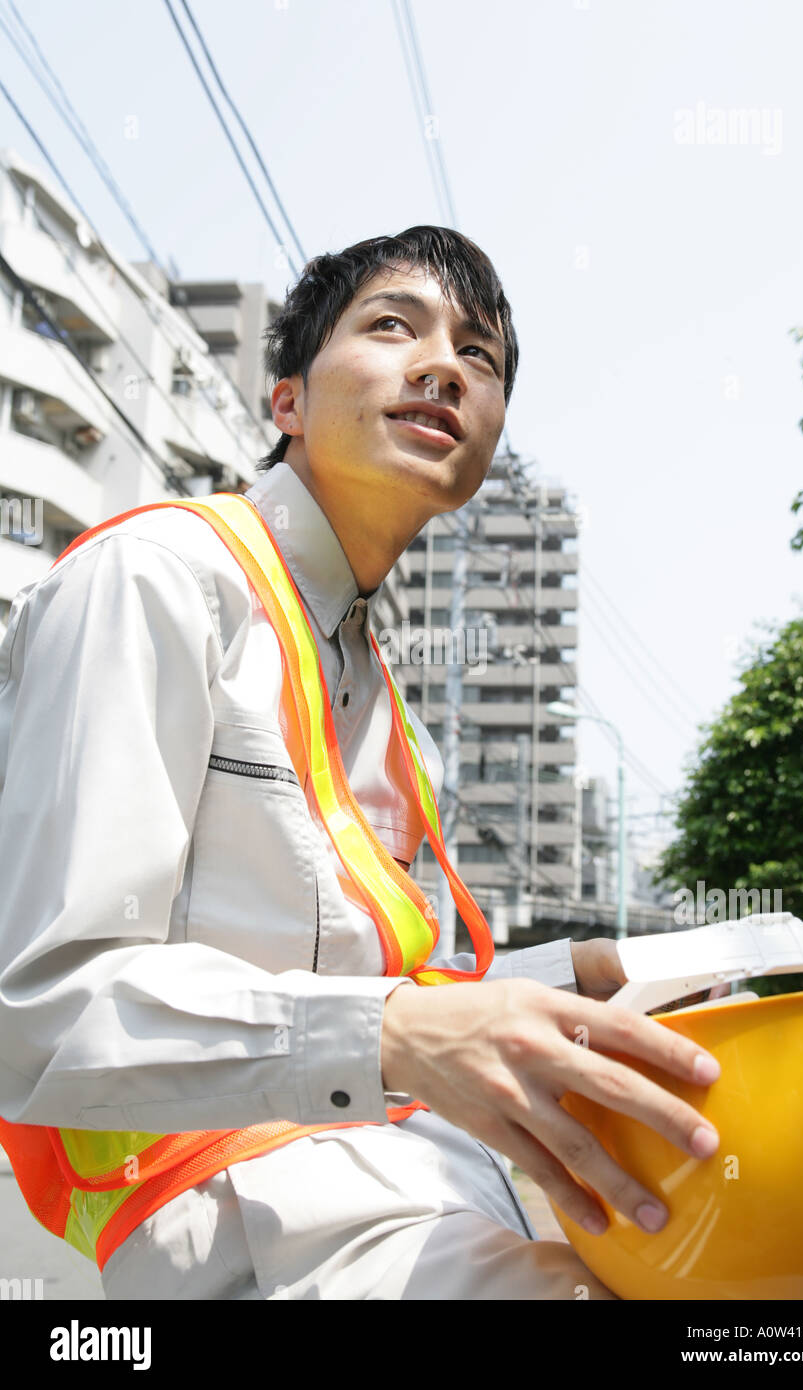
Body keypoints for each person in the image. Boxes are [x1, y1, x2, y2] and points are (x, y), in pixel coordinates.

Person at [0, 225, 722, 1300]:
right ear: (285, 397)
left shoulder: (388, 707)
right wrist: (395, 1028)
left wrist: (586, 978)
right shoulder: (154, 577)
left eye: (480, 357)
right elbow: (41, 1003)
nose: (444, 365)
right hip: (245, 1223)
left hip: (419, 1194)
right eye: (392, 327)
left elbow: (370, 997)